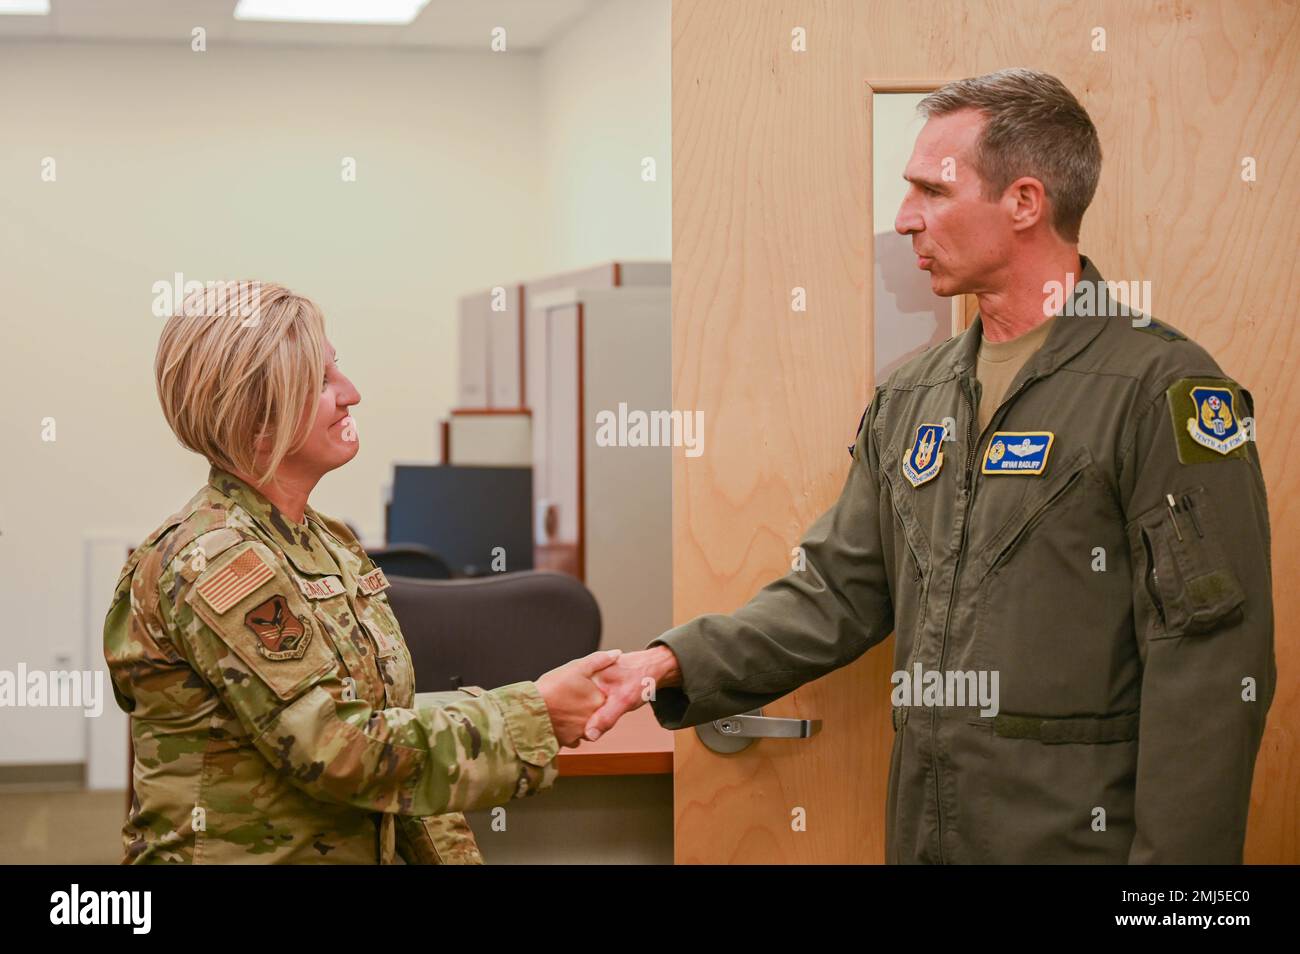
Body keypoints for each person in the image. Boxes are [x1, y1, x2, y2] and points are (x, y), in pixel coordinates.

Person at [584, 68, 1276, 864]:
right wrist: (670, 663)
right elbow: (837, 592)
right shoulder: (914, 395)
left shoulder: (1161, 389)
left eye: (932, 192)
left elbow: (1212, 673)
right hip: (928, 834)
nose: (905, 218)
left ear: (1025, 202)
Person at [104, 282, 615, 864]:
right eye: (321, 382)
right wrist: (534, 714)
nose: (352, 394)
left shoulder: (329, 543)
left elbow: (387, 732)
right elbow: (339, 750)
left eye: (336, 369)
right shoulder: (216, 560)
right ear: (257, 417)